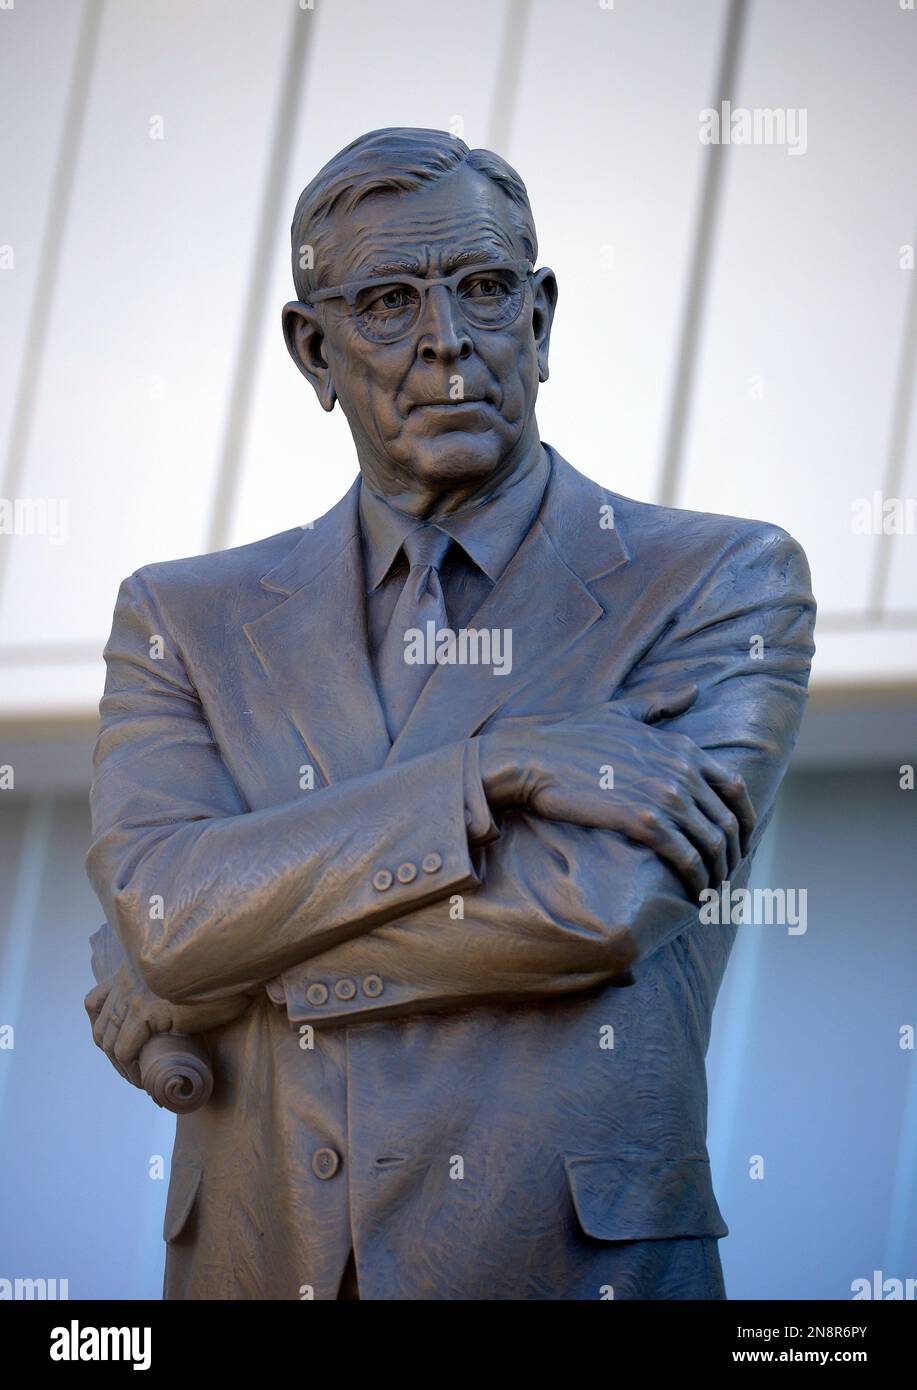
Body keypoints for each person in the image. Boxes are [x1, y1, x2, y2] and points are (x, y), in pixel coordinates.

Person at [85, 127, 816, 1300]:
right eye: (385, 302)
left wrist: (202, 963)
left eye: (482, 289)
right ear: (311, 350)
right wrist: (490, 769)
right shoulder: (183, 616)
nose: (445, 341)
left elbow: (593, 904)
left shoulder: (715, 581)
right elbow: (168, 905)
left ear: (540, 319)